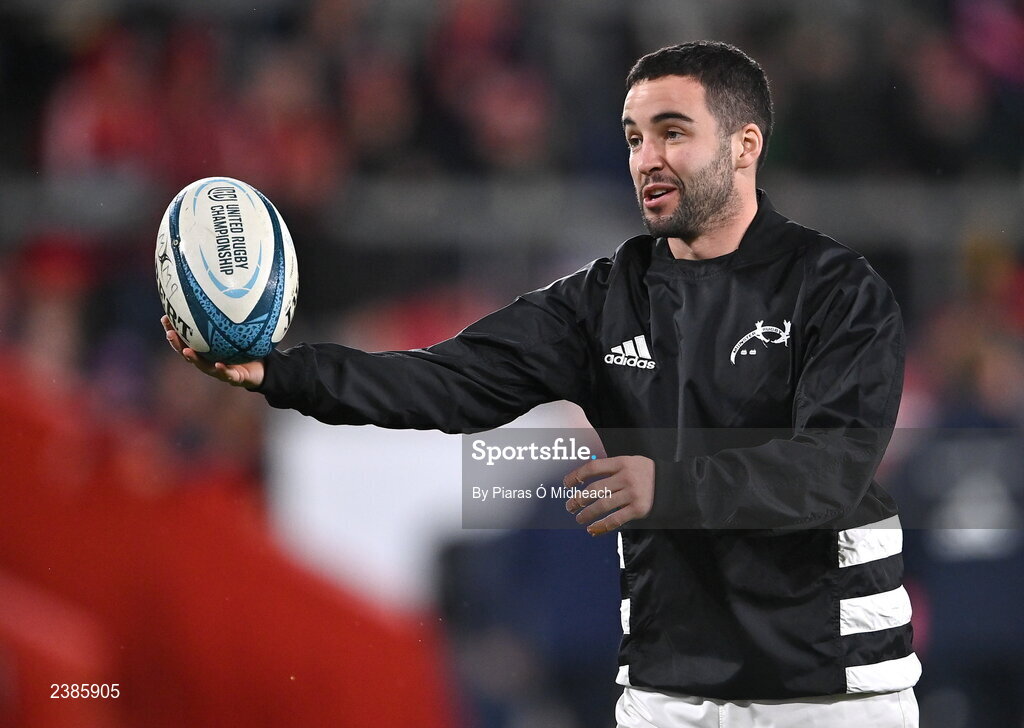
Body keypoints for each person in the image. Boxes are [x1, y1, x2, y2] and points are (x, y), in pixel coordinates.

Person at [163, 41, 920, 728]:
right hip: (674, 689)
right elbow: (444, 382)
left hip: (830, 685)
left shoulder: (838, 294)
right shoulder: (600, 301)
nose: (647, 158)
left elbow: (830, 470)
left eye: (673, 133)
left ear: (745, 145)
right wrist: (278, 373)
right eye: (634, 137)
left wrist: (671, 486)